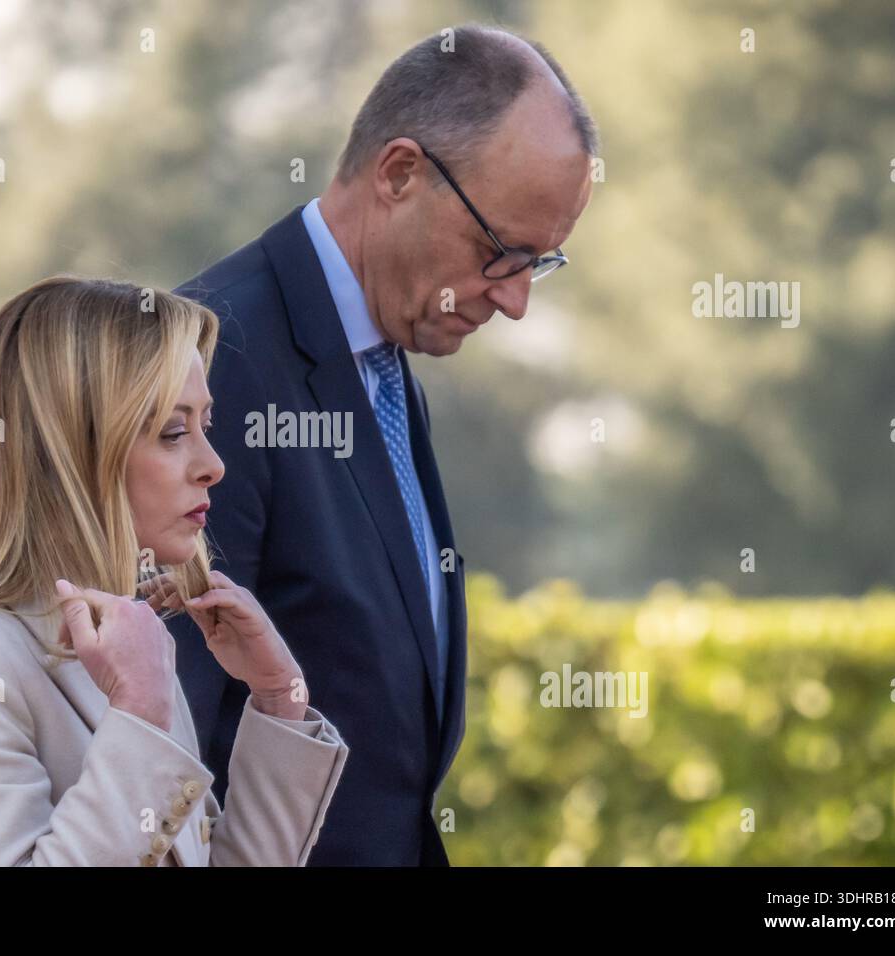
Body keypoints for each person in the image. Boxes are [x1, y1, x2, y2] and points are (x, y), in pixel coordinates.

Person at [169, 25, 598, 865]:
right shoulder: (216, 357)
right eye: (499, 252)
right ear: (399, 173)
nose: (514, 302)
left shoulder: (384, 356)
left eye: (539, 265)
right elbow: (168, 732)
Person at [0, 277, 349, 866]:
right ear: (72, 452)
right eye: (173, 431)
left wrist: (279, 700)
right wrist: (142, 714)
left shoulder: (123, 646)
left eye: (207, 425)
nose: (213, 465)